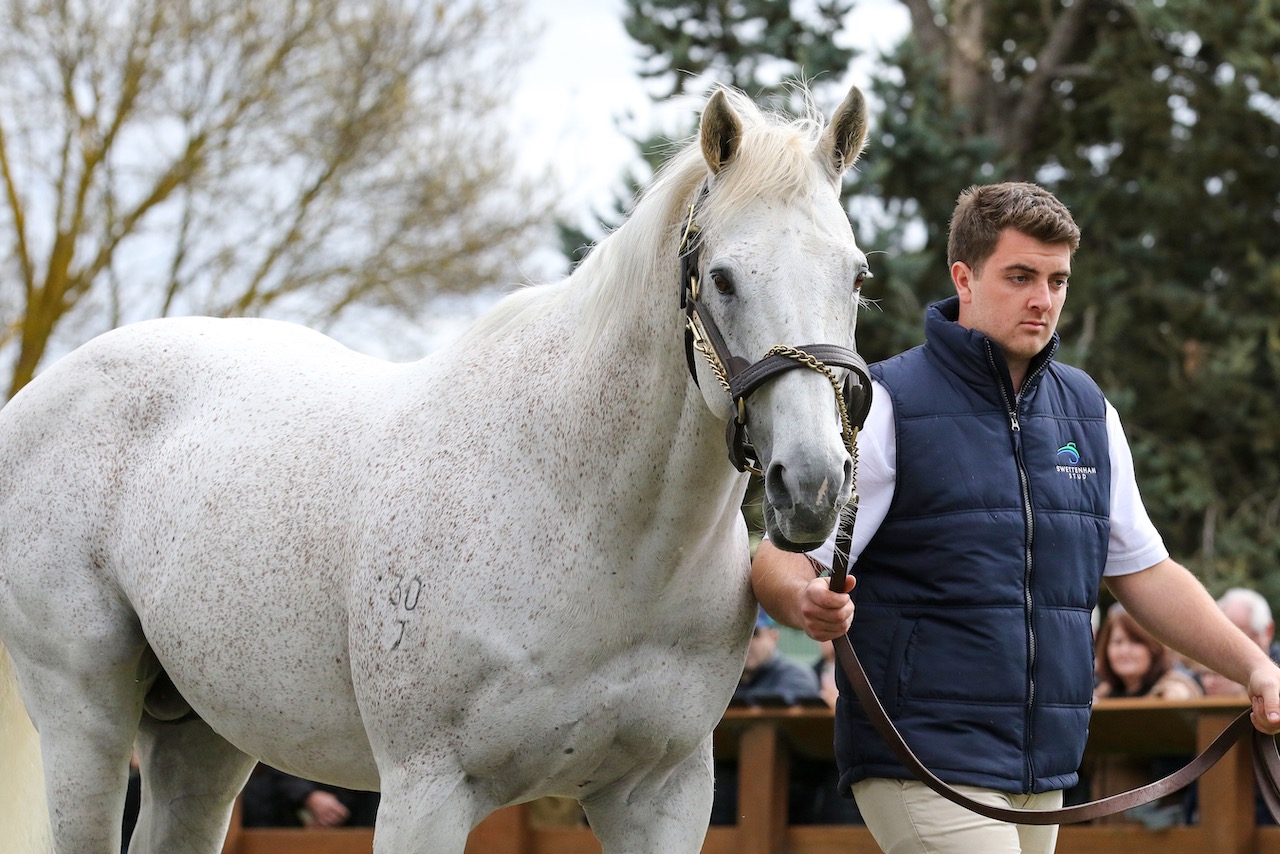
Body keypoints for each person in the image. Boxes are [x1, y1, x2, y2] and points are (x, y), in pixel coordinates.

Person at [750, 181, 1280, 854]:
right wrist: (804, 602)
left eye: (1058, 281)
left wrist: (1255, 668)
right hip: (921, 757)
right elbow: (778, 558)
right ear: (964, 278)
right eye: (1021, 276)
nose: (1043, 300)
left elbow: (1145, 572)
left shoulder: (1089, 412)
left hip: (1042, 770)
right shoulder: (886, 403)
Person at [1087, 604, 1200, 828]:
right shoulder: (1101, 695)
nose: (1124, 650)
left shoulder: (1173, 684)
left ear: (1153, 646)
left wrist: (1172, 694)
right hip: (1101, 828)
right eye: (1117, 642)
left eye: (1135, 642)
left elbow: (1182, 695)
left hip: (1158, 830)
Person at [240, 764, 379, 829]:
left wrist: (333, 814)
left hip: (350, 821)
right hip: (282, 823)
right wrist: (308, 796)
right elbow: (276, 765)